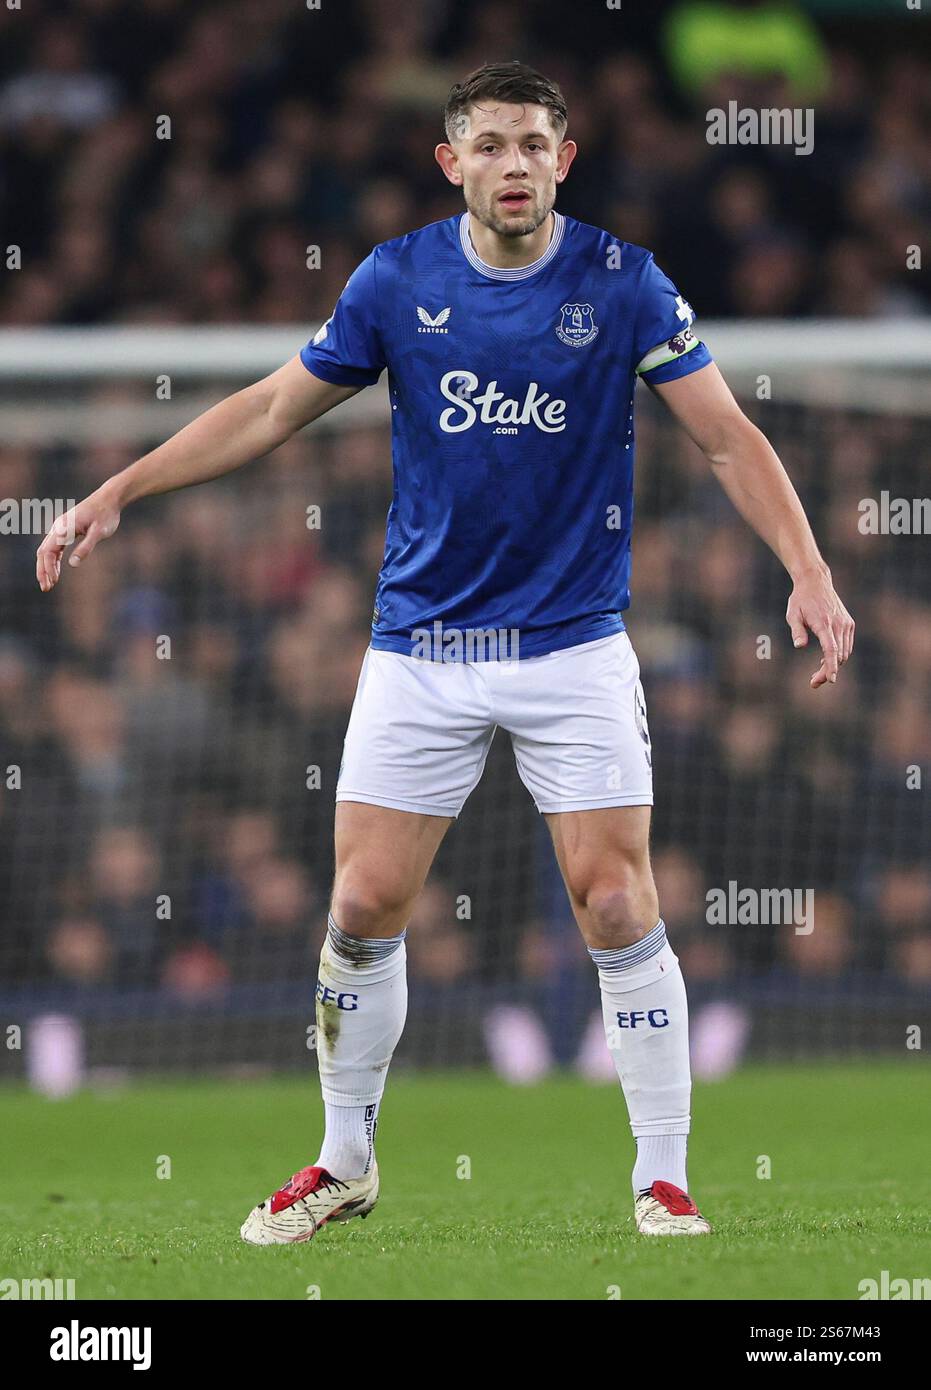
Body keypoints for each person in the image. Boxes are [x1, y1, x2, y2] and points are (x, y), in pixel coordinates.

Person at [37, 61, 855, 1241]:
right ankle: (343, 1160)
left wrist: (809, 564)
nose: (512, 164)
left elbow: (726, 439)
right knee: (363, 900)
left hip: (572, 643)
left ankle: (663, 1175)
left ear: (563, 159)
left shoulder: (623, 283)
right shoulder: (395, 279)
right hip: (421, 645)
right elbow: (273, 408)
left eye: (533, 143)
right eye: (489, 145)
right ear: (450, 161)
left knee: (615, 899)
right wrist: (124, 485)